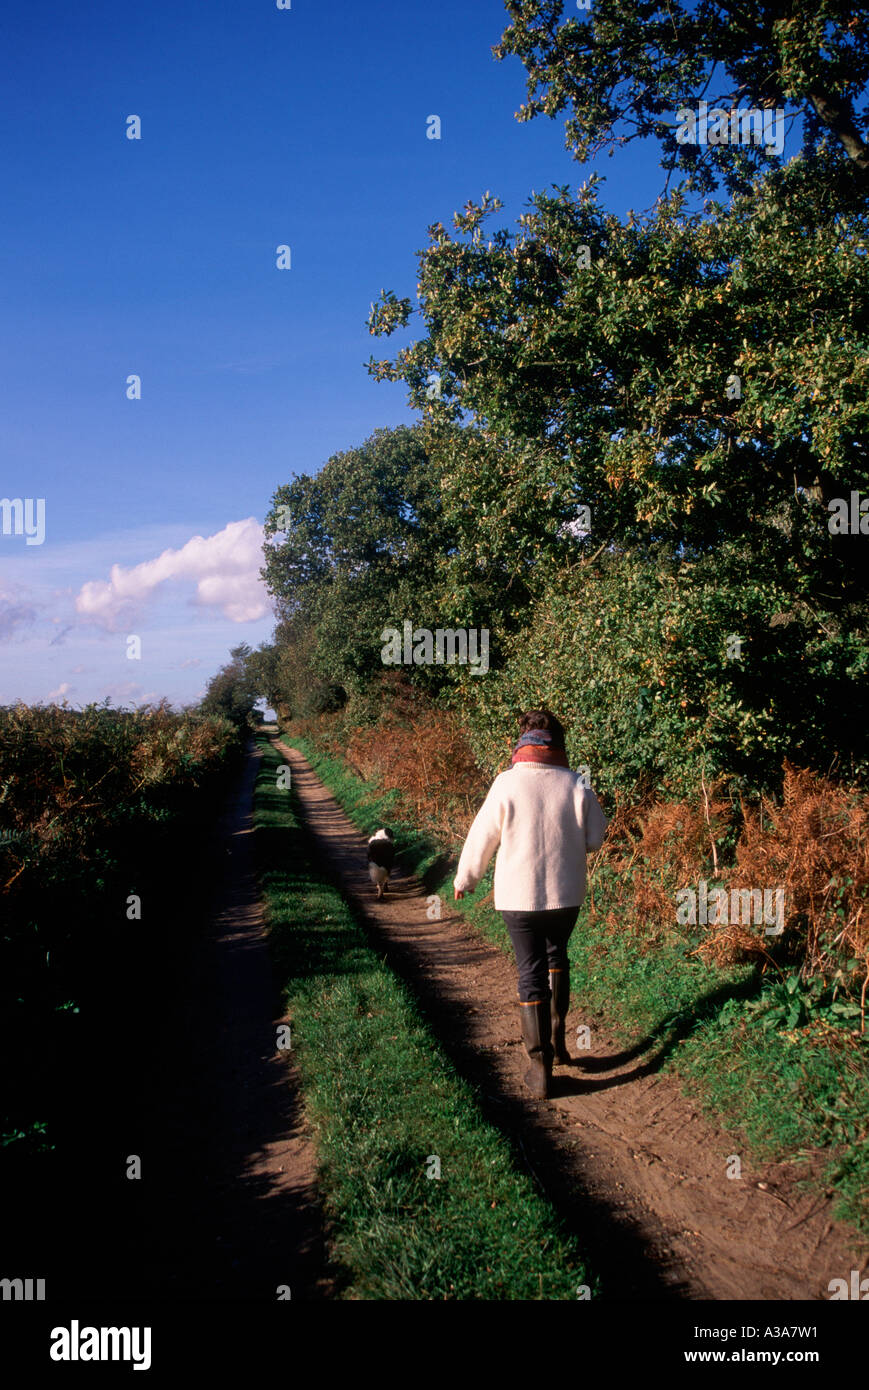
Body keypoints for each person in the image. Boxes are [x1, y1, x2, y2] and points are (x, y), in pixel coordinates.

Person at [453, 709, 608, 1099]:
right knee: (558, 957)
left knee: (530, 972)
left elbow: (481, 837)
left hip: (517, 900)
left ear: (522, 741)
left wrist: (465, 879)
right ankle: (557, 1040)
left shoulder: (505, 783)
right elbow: (596, 838)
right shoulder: (577, 783)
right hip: (566, 897)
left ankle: (540, 1070)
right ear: (557, 740)